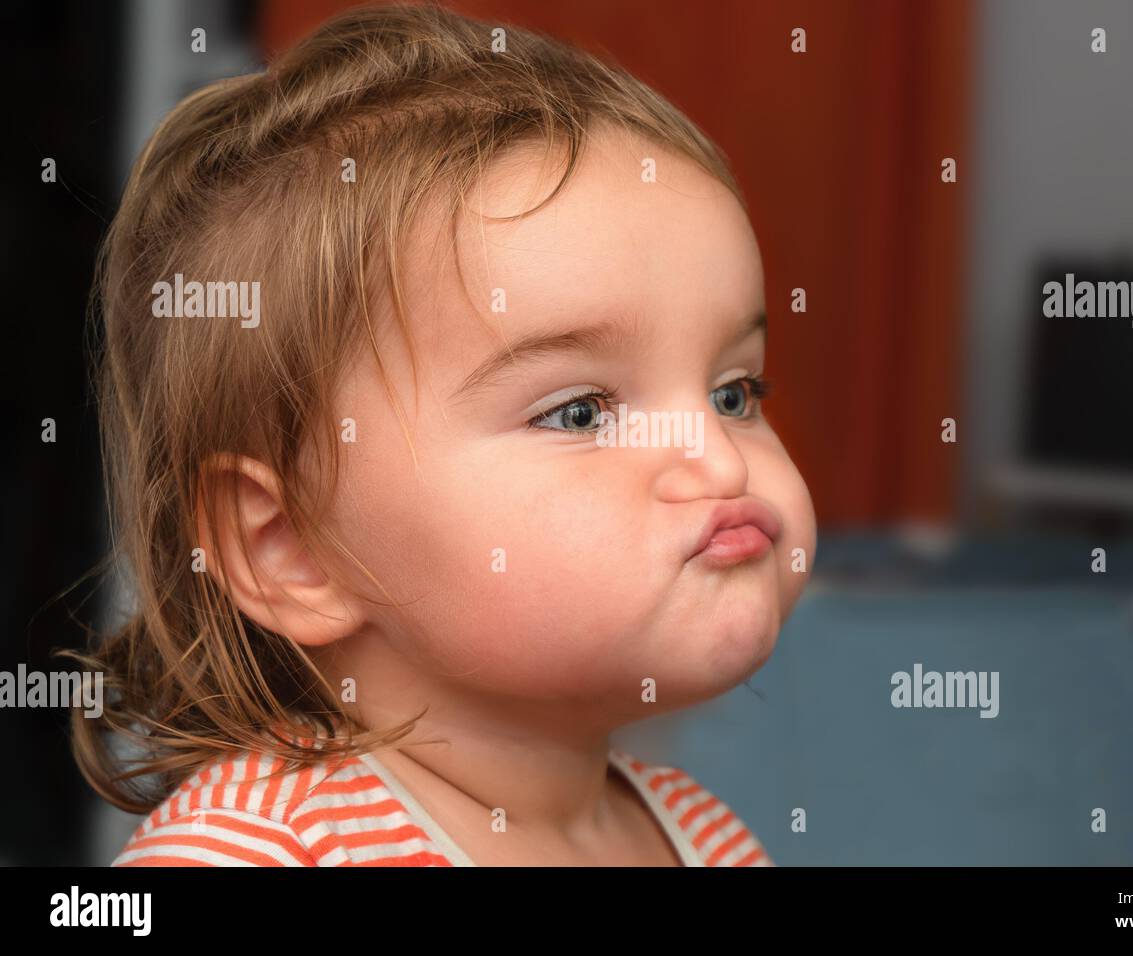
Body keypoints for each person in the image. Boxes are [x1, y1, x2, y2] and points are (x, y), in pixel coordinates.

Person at [69, 2, 816, 867]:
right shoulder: (252, 854)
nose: (720, 458)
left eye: (733, 393)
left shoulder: (707, 840)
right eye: (579, 412)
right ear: (289, 547)